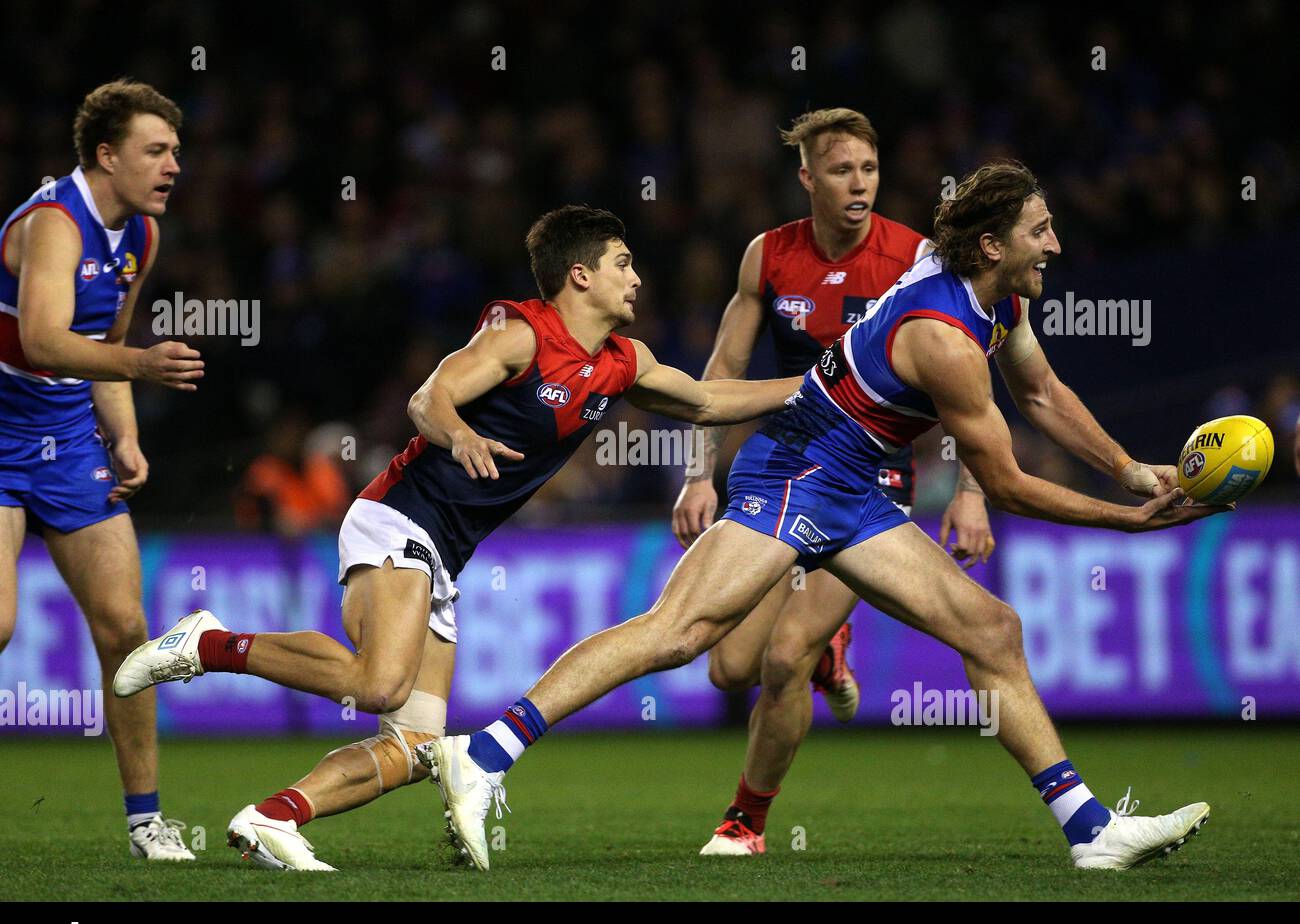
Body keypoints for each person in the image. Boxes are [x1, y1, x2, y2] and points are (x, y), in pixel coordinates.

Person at [419, 161, 1223, 872]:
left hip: (857, 485)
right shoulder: (942, 334)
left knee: (992, 630)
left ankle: (1090, 833)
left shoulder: (996, 302)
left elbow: (1043, 394)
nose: (1054, 246)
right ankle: (486, 754)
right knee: (684, 635)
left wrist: (1130, 469)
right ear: (991, 247)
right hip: (801, 469)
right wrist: (1125, 521)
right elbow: (1006, 484)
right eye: (1039, 231)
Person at [112, 205, 803, 870]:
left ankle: (274, 817)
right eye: (623, 263)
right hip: (398, 518)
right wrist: (461, 433)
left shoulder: (624, 360)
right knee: (379, 683)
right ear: (581, 276)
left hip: (442, 552)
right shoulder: (520, 334)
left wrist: (817, 384)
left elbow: (710, 401)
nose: (638, 279)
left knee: (416, 748)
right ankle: (204, 643)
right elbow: (426, 400)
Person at [669, 107, 996, 855]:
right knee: (728, 668)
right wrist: (697, 477)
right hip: (781, 475)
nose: (860, 185)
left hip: (866, 483)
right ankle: (827, 652)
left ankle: (744, 823)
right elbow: (721, 372)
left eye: (871, 170)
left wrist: (973, 492)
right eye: (843, 171)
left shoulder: (919, 261)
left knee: (780, 660)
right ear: (808, 177)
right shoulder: (767, 256)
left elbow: (969, 386)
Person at [0, 79, 204, 860]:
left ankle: (146, 822)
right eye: (156, 151)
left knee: (127, 632)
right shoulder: (55, 223)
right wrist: (143, 365)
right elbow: (45, 342)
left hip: (65, 438)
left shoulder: (139, 237)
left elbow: (101, 354)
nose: (173, 165)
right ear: (106, 155)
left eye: (177, 151)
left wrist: (123, 437)